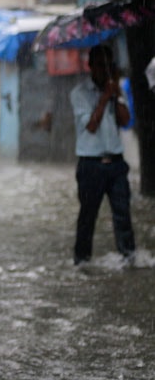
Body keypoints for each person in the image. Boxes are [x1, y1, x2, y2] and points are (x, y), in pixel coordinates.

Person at [69, 44, 135, 266]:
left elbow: (125, 121)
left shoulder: (116, 90)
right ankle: (82, 260)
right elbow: (90, 125)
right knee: (88, 216)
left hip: (116, 163)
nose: (105, 70)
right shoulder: (79, 94)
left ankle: (129, 257)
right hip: (91, 164)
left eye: (109, 65)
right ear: (90, 66)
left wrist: (115, 95)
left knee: (123, 214)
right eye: (100, 65)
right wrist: (105, 97)